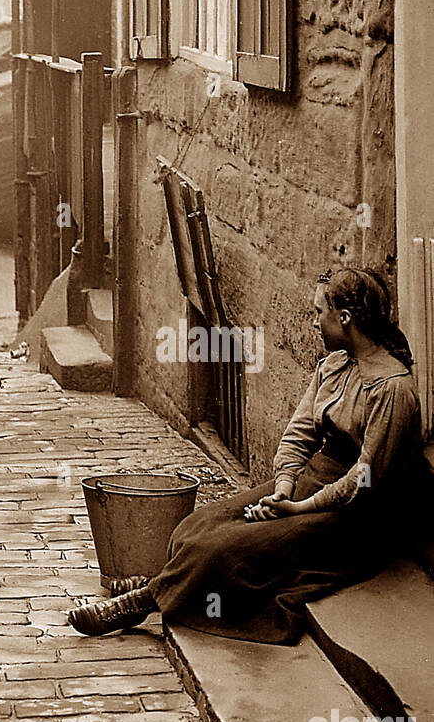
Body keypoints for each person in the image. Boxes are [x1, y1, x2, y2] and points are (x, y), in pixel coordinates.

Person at [68, 266, 430, 642]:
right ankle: (163, 582)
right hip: (313, 481)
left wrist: (298, 510)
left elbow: (363, 480)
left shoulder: (392, 389)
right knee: (201, 524)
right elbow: (299, 434)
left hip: (358, 518)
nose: (312, 322)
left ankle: (139, 603)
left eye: (318, 313)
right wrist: (284, 489)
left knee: (229, 549)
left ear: (345, 318)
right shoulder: (334, 365)